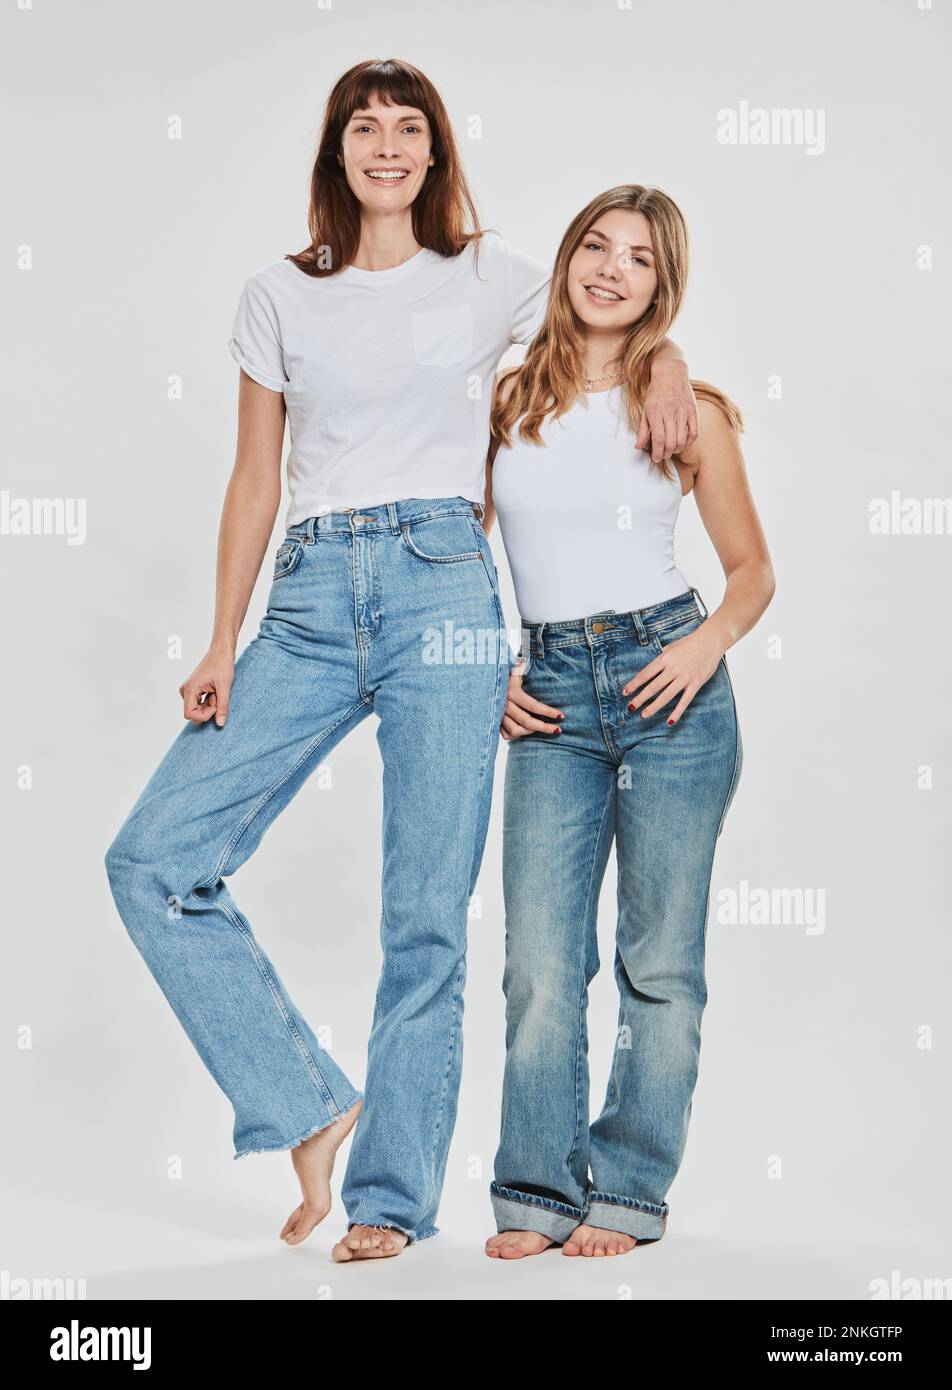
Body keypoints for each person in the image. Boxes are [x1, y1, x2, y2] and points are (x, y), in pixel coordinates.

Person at [104, 61, 698, 1264]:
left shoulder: (492, 275)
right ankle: (311, 1101)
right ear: (336, 152)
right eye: (364, 128)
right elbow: (255, 477)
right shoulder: (276, 294)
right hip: (311, 596)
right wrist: (223, 637)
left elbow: (609, 316)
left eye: (408, 128)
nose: (387, 145)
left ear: (435, 153)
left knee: (425, 918)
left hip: (445, 594)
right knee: (154, 859)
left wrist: (674, 361)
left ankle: (390, 1198)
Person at [482, 184, 775, 1259]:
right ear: (564, 262)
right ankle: (536, 1189)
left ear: (663, 285)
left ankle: (632, 1190)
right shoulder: (505, 399)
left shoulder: (682, 405)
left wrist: (701, 647)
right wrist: (485, 674)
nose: (610, 268)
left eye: (639, 259)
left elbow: (751, 571)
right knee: (540, 962)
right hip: (551, 689)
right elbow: (461, 564)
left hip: (671, 689)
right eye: (594, 247)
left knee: (659, 962)